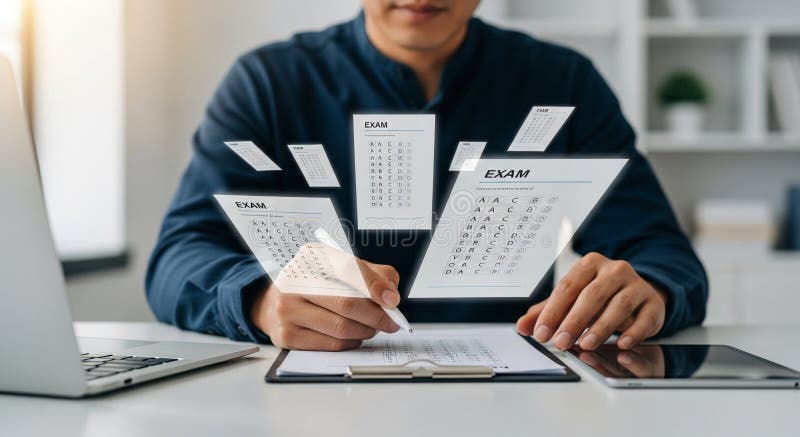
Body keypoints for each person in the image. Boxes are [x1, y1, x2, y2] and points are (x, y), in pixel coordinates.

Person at [146, 0, 708, 352]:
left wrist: (648, 290)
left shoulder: (563, 84)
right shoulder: (267, 83)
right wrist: (260, 301)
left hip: (509, 400)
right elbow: (180, 255)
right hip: (307, 399)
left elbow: (662, 254)